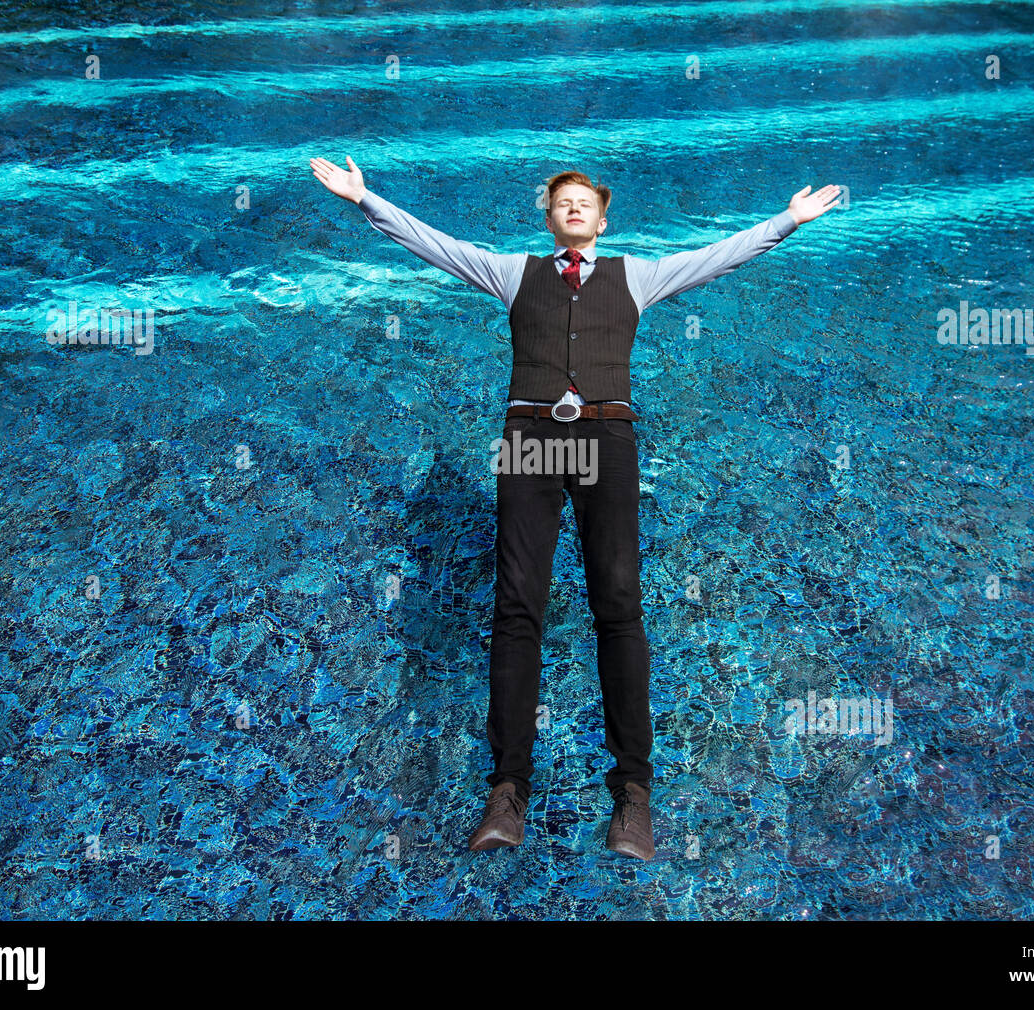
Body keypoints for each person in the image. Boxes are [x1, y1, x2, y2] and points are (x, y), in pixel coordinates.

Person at [312, 155, 840, 860]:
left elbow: (719, 256)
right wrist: (365, 200)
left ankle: (632, 798)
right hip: (529, 434)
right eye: (562, 202)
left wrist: (786, 222)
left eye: (583, 203)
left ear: (602, 218)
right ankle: (507, 794)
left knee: (617, 606)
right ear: (549, 217)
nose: (573, 209)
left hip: (606, 432)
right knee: (516, 606)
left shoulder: (637, 276)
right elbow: (434, 243)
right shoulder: (512, 272)